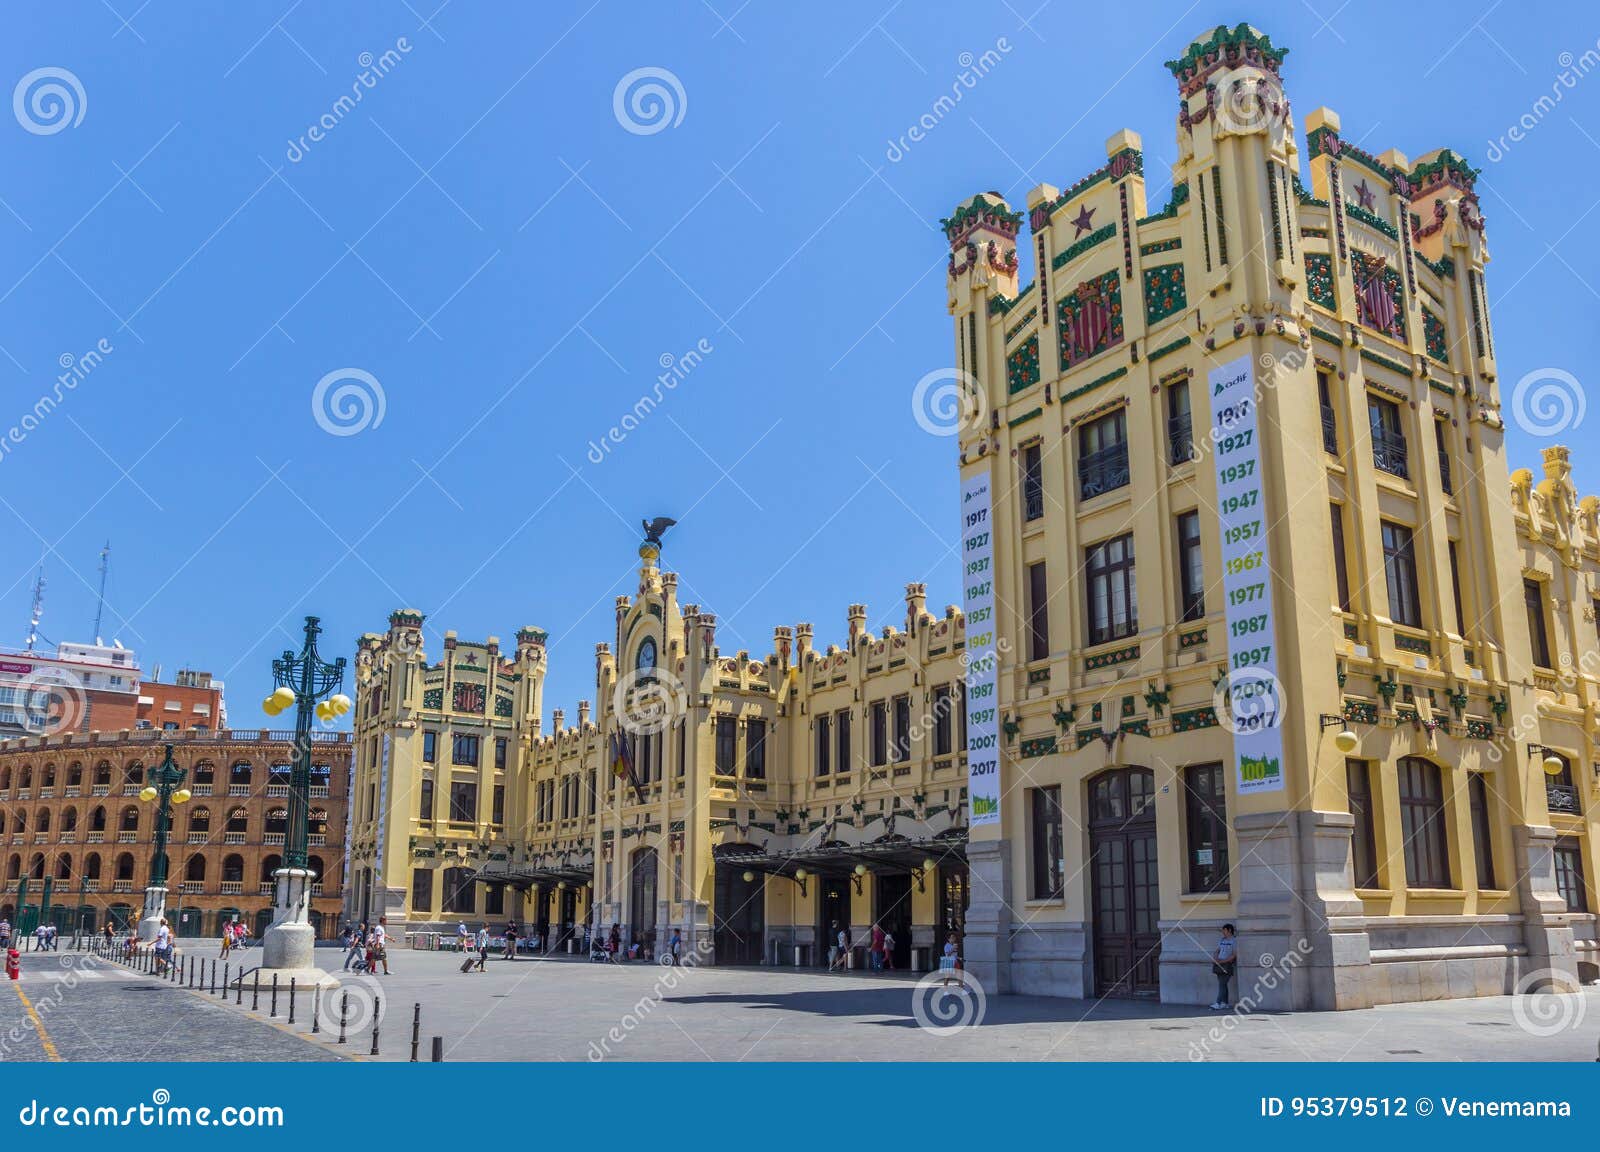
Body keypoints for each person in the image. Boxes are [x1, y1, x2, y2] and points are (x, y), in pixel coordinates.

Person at [1210, 923, 1237, 1010]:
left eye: (1224, 930)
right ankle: (1225, 1003)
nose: (1223, 932)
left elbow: (1234, 955)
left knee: (1222, 984)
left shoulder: (1234, 941)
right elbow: (1217, 950)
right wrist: (1215, 958)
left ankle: (1218, 1003)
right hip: (1219, 965)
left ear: (1229, 930)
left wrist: (1222, 961)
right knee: (1223, 984)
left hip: (1228, 965)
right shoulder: (1222, 940)